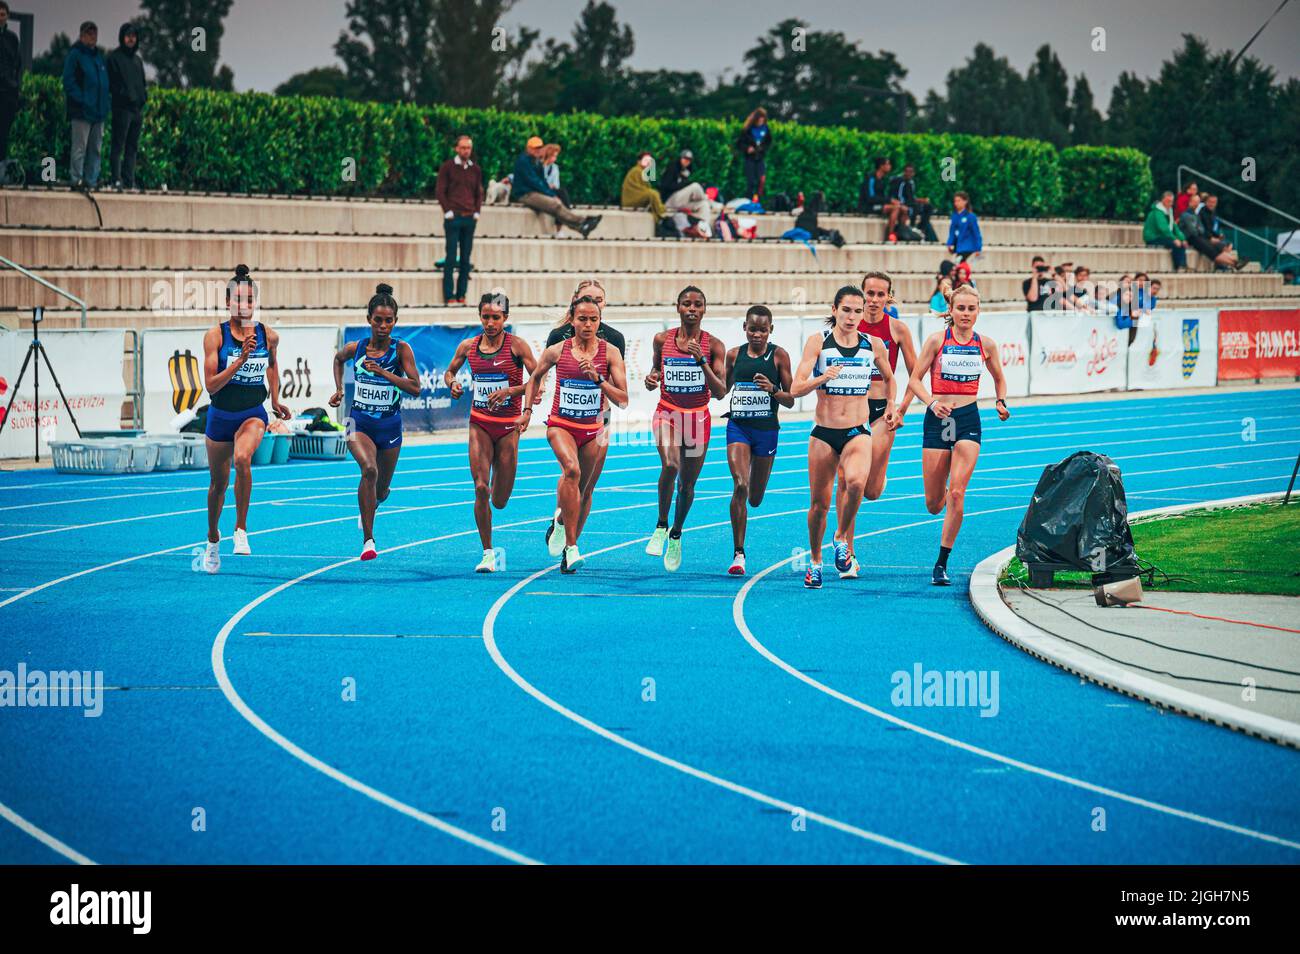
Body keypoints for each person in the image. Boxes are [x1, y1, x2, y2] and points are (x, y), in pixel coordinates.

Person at [790, 286, 897, 589]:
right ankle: (814, 561)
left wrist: (890, 405)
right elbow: (795, 388)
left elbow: (889, 378)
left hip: (857, 430)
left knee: (856, 483)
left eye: (858, 311)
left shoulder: (873, 344)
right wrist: (823, 378)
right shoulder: (818, 343)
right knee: (818, 505)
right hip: (824, 433)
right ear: (834, 310)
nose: (852, 316)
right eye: (846, 310)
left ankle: (840, 537)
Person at [907, 285, 1009, 586]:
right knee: (934, 503)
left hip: (967, 419)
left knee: (957, 492)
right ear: (950, 310)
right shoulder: (937, 340)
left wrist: (1000, 401)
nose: (966, 314)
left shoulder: (986, 344)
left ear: (978, 312)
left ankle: (941, 563)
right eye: (961, 309)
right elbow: (914, 380)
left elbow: (999, 378)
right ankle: (938, 514)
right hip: (938, 419)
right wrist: (933, 403)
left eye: (971, 309)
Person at [519, 295, 629, 573]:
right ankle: (571, 547)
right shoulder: (557, 350)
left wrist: (599, 379)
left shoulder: (611, 353)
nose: (588, 324)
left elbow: (623, 399)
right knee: (571, 470)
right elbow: (534, 378)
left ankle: (559, 523)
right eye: (582, 319)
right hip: (561, 425)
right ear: (572, 319)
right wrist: (528, 410)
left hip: (592, 430)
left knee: (581, 490)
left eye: (593, 319)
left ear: (599, 321)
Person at [199, 265, 291, 573]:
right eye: (238, 300)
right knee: (218, 485)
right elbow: (211, 385)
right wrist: (240, 360)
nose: (244, 306)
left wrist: (276, 399)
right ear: (228, 303)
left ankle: (241, 529)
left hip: (253, 412)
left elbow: (273, 366)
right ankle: (213, 538)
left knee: (243, 459)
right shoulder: (215, 337)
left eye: (250, 300)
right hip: (220, 416)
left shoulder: (268, 335)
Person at [444, 293, 538, 572]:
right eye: (485, 317)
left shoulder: (517, 347)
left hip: (509, 427)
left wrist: (515, 394)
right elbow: (449, 372)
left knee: (499, 500)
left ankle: (499, 487)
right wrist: (453, 384)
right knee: (481, 488)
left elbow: (538, 379)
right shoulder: (468, 346)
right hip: (480, 423)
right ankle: (487, 553)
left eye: (496, 317)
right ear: (479, 317)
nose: (490, 322)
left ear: (505, 319)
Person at [834, 271, 918, 577]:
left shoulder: (897, 330)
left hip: (883, 411)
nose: (873, 300)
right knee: (846, 479)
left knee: (869, 490)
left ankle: (873, 483)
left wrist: (901, 407)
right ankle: (846, 549)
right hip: (851, 409)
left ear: (888, 298)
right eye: (869, 293)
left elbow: (916, 374)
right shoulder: (847, 326)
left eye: (880, 295)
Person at [329, 284, 420, 561]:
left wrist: (383, 372)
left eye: (388, 320)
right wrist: (340, 390)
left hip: (389, 427)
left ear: (395, 322)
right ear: (369, 319)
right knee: (369, 470)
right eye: (378, 320)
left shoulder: (401, 350)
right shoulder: (356, 348)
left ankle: (374, 503)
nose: (383, 326)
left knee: (381, 488)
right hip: (359, 423)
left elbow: (415, 387)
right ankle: (368, 539)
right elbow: (338, 358)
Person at [643, 286, 727, 572]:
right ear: (677, 307)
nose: (692, 309)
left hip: (697, 419)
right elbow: (656, 369)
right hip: (667, 412)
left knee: (687, 485)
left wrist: (701, 361)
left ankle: (677, 533)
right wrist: (651, 378)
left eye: (697, 305)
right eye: (686, 304)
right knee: (670, 465)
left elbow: (720, 393)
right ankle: (661, 525)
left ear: (704, 310)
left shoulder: (714, 346)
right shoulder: (661, 340)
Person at [541, 279, 625, 548]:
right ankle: (569, 542)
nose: (594, 304)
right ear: (575, 303)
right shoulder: (559, 337)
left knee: (587, 485)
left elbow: (617, 387)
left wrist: (600, 382)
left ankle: (568, 532)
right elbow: (543, 371)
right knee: (570, 471)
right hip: (567, 418)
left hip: (599, 417)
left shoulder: (614, 340)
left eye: (599, 300)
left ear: (604, 304)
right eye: (588, 299)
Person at [723, 305, 793, 576]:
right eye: (752, 329)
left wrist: (773, 389)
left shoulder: (779, 357)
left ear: (770, 330)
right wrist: (703, 366)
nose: (757, 334)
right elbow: (720, 392)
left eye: (763, 330)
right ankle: (738, 553)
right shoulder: (734, 355)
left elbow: (791, 399)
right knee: (740, 485)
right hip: (738, 428)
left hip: (766, 433)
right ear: (744, 328)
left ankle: (750, 499)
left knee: (754, 498)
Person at [511, 135, 600, 238]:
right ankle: (582, 221)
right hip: (525, 194)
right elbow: (533, 181)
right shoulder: (523, 161)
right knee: (555, 204)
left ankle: (581, 227)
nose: (537, 150)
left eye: (539, 148)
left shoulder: (536, 161)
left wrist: (551, 193)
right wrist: (550, 194)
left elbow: (542, 181)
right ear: (528, 148)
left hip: (533, 192)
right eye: (535, 148)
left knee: (557, 204)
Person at [435, 135, 484, 305]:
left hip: (469, 218)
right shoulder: (448, 167)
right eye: (462, 147)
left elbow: (479, 192)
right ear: (456, 148)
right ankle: (449, 295)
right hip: (453, 217)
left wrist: (477, 212)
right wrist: (447, 211)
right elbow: (440, 191)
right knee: (450, 257)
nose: (465, 151)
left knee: (465, 258)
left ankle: (461, 294)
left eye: (468, 148)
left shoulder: (475, 169)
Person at [62, 21, 109, 190]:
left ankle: (92, 180)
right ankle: (76, 179)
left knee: (95, 149)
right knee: (79, 147)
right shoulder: (75, 55)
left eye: (94, 33)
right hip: (82, 111)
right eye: (89, 33)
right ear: (81, 35)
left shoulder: (98, 57)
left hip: (99, 112)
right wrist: (82, 100)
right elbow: (68, 81)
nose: (92, 36)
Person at [106, 22, 145, 191]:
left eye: (133, 36)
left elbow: (142, 83)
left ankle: (129, 181)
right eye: (128, 35)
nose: (131, 39)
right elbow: (112, 84)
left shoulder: (138, 60)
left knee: (132, 147)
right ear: (122, 37)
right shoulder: (114, 58)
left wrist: (143, 98)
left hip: (137, 110)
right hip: (121, 109)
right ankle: (116, 179)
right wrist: (124, 96)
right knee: (118, 145)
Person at [1180, 193, 1243, 270]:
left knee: (1215, 248)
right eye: (1194, 202)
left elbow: (1201, 229)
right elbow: (1193, 231)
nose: (1196, 204)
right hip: (1193, 239)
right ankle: (1234, 263)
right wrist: (1199, 229)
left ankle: (1236, 262)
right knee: (1212, 251)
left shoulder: (1195, 215)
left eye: (1198, 202)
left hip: (1200, 237)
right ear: (1190, 202)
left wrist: (1199, 229)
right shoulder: (1185, 215)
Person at [658, 148, 714, 233]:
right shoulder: (673, 167)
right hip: (669, 200)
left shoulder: (686, 171)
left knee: (704, 205)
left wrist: (685, 182)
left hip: (681, 202)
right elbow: (666, 186)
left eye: (689, 160)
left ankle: (702, 228)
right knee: (695, 186)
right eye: (685, 159)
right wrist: (685, 184)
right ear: (680, 158)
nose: (686, 161)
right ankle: (707, 199)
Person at [0, 2, 23, 167]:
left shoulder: (12, 38)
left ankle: (0, 169)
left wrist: (15, 86)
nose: (0, 17)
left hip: (7, 93)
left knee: (3, 134)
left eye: (2, 14)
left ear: (7, 16)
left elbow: (17, 65)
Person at [890, 163, 937, 241]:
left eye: (910, 172)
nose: (908, 174)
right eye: (907, 171)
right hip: (903, 203)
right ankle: (912, 226)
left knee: (928, 207)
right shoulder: (901, 182)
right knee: (915, 207)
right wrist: (904, 204)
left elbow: (912, 197)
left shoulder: (911, 182)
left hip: (911, 202)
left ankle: (921, 227)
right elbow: (899, 196)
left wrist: (921, 200)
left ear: (913, 173)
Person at [1142, 191, 1188, 272]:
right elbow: (1163, 228)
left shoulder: (1169, 210)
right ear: (1162, 200)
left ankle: (1183, 265)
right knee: (1175, 243)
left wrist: (1182, 238)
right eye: (1168, 201)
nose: (1170, 203)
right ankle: (1179, 266)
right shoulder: (1158, 211)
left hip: (1162, 236)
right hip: (1153, 238)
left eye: (1171, 201)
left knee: (1181, 243)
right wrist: (1174, 239)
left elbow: (1174, 226)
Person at [735, 107, 772, 201]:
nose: (760, 122)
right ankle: (749, 200)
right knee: (751, 181)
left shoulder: (766, 129)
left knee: (761, 180)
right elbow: (739, 143)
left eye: (762, 120)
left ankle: (759, 200)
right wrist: (747, 148)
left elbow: (769, 143)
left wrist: (762, 149)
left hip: (760, 157)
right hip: (750, 158)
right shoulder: (747, 130)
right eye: (759, 120)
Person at [622, 151, 667, 224]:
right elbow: (639, 190)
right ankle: (660, 211)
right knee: (653, 193)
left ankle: (659, 211)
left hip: (636, 196)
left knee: (653, 193)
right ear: (639, 161)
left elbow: (644, 188)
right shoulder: (636, 171)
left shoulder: (641, 171)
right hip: (631, 199)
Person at [946, 192, 982, 261]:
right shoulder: (954, 216)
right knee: (960, 266)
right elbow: (952, 231)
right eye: (955, 201)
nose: (956, 203)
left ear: (965, 201)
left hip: (967, 247)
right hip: (958, 246)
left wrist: (978, 248)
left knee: (958, 263)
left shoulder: (970, 216)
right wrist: (949, 243)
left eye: (959, 200)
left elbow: (976, 233)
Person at [541, 143, 571, 207]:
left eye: (556, 156)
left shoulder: (554, 168)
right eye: (553, 156)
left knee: (562, 191)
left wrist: (552, 186)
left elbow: (556, 185)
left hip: (550, 191)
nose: (555, 159)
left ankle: (567, 210)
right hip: (540, 191)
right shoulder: (538, 166)